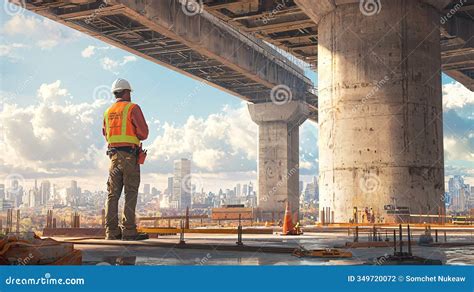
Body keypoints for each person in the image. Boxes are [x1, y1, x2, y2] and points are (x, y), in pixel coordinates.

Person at [102, 78, 149, 240]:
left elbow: (105, 134)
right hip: (129, 156)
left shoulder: (108, 112)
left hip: (113, 157)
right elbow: (144, 133)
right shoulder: (132, 108)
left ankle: (111, 232)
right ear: (127, 92)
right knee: (130, 192)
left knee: (112, 194)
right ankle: (129, 231)